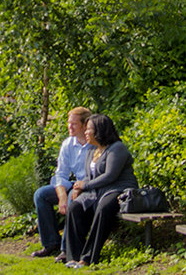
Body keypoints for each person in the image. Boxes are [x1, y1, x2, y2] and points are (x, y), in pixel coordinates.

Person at [63, 114, 138, 268]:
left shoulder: (117, 148)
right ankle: (73, 257)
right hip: (97, 191)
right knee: (74, 207)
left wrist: (85, 186)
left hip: (117, 189)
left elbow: (110, 176)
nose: (85, 132)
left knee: (103, 208)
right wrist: (79, 189)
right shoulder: (92, 151)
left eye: (88, 129)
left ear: (99, 130)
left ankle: (88, 257)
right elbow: (89, 177)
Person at [30, 107, 93, 259]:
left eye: (74, 124)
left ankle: (66, 249)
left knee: (73, 199)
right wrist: (61, 195)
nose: (70, 127)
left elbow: (96, 172)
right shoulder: (68, 144)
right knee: (41, 195)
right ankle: (51, 242)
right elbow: (61, 173)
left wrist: (76, 189)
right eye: (68, 123)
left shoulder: (95, 143)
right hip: (73, 183)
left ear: (85, 125)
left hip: (88, 185)